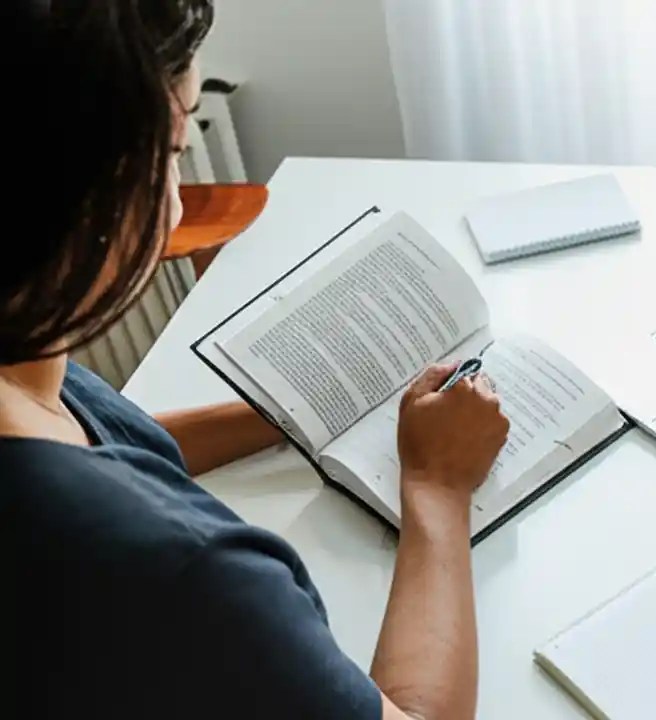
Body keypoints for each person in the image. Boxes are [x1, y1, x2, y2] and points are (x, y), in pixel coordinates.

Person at [1, 3, 508, 718]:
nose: (177, 207)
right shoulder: (183, 576)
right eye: (175, 154)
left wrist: (297, 409)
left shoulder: (22, 356)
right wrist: (437, 488)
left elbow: (107, 440)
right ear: (86, 190)